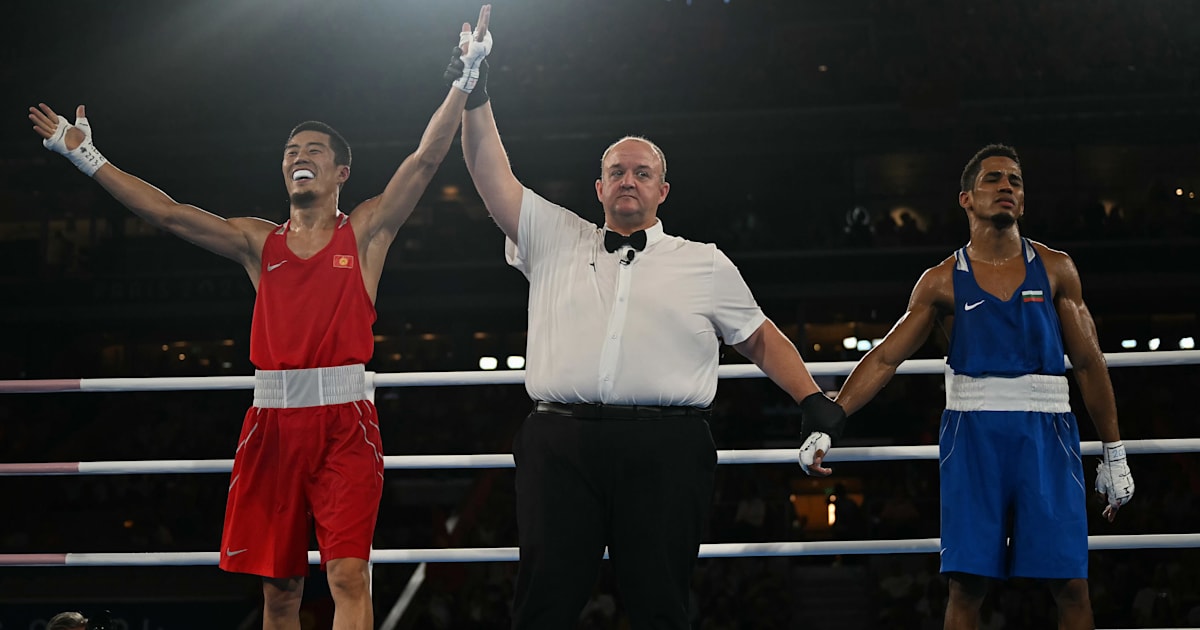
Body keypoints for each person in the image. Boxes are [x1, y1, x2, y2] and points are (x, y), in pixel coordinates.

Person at [28, 8, 493, 629]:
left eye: (314, 151)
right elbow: (170, 215)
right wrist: (90, 159)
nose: (299, 156)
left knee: (350, 575)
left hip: (346, 423)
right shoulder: (256, 242)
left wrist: (466, 75)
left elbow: (426, 160)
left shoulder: (365, 231)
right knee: (279, 591)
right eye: (290, 150)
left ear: (340, 173)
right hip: (271, 422)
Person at [451, 61, 846, 628]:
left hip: (668, 447)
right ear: (599, 187)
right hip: (559, 444)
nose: (628, 180)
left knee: (661, 602)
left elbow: (759, 337)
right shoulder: (553, 235)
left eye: (641, 172)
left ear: (663, 189)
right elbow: (490, 173)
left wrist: (813, 400)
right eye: (617, 171)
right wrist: (476, 92)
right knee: (544, 600)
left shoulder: (704, 261)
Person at [818, 144, 1135, 630]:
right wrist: (831, 420)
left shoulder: (1056, 269)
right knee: (967, 585)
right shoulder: (940, 282)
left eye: (1015, 181)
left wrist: (1114, 454)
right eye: (993, 179)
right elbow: (885, 356)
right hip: (973, 438)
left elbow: (1090, 364)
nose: (1006, 186)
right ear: (966, 198)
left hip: (1048, 436)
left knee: (1070, 584)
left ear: (1023, 203)